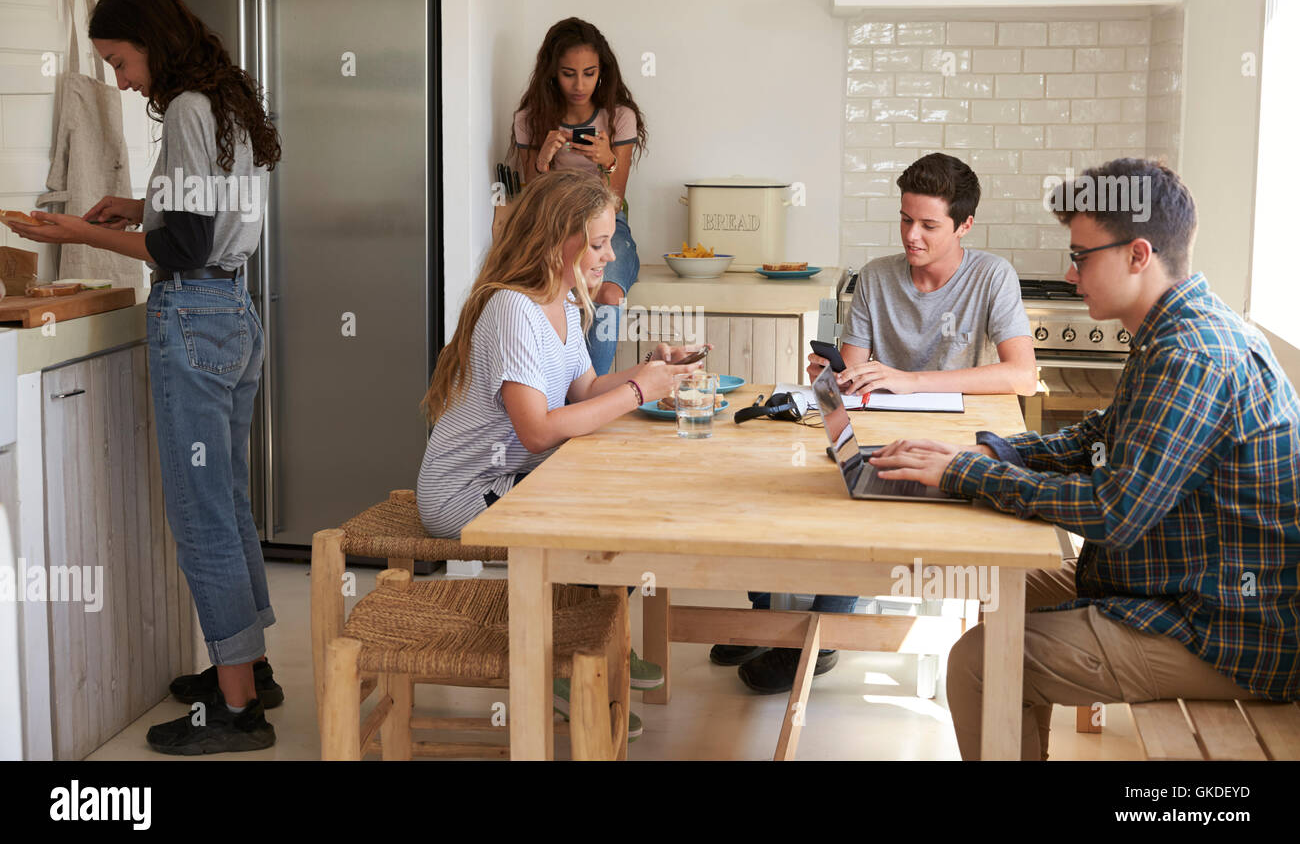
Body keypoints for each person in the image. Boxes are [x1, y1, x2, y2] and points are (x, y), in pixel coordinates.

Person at [870, 158, 1300, 759]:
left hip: (1223, 630)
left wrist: (967, 474)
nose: (1072, 277)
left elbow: (1114, 510)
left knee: (977, 663)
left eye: (1081, 256)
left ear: (1138, 254)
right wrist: (980, 450)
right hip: (1173, 586)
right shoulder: (1175, 331)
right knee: (1001, 583)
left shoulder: (1195, 355)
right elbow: (1090, 440)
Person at [8, 0, 283, 754]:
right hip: (234, 313)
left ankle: (236, 712)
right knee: (226, 504)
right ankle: (249, 670)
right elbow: (207, 217)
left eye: (121, 62)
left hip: (194, 313)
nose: (122, 80)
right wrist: (139, 205)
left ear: (151, 42)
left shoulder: (191, 108)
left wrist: (67, 227)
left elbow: (184, 248)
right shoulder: (224, 102)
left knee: (201, 518)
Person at [712, 152, 1038, 694]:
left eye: (929, 225)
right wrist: (834, 375)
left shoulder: (991, 277)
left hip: (946, 440)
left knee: (860, 494)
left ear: (965, 225)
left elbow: (1022, 375)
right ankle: (766, 620)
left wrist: (911, 380)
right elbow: (854, 369)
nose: (913, 236)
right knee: (771, 486)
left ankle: (814, 641)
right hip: (874, 427)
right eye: (906, 219)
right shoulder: (879, 277)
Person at [416, 170, 701, 739]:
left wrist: (649, 369)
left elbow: (585, 391)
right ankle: (562, 659)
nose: (609, 255)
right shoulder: (512, 310)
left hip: (513, 475)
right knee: (598, 507)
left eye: (610, 240)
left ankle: (585, 644)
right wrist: (640, 393)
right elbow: (538, 432)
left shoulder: (565, 306)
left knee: (618, 490)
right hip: (465, 494)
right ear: (555, 241)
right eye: (597, 243)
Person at [510, 17, 647, 376]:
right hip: (554, 227)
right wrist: (542, 161)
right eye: (569, 73)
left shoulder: (619, 118)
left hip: (607, 225)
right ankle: (559, 398)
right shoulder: (530, 120)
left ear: (602, 72)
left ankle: (590, 395)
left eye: (589, 73)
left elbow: (614, 200)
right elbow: (533, 203)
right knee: (555, 295)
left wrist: (607, 162)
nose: (579, 84)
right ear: (552, 73)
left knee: (608, 295)